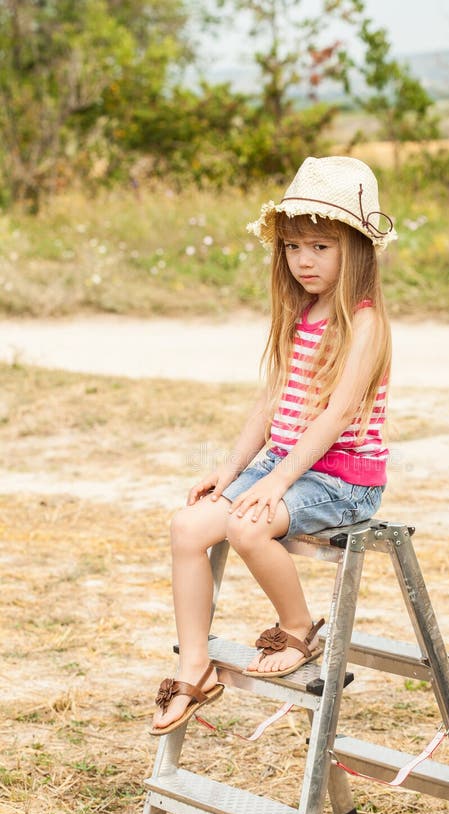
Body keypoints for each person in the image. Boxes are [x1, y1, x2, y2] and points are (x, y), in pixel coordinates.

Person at [150, 155, 397, 735]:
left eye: (320, 247)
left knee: (247, 525)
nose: (303, 260)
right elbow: (270, 403)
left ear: (356, 250)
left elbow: (338, 415)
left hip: (342, 479)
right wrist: (232, 470)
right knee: (187, 526)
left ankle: (298, 628)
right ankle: (195, 666)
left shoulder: (364, 323)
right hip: (285, 465)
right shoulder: (300, 312)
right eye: (292, 247)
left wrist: (276, 482)